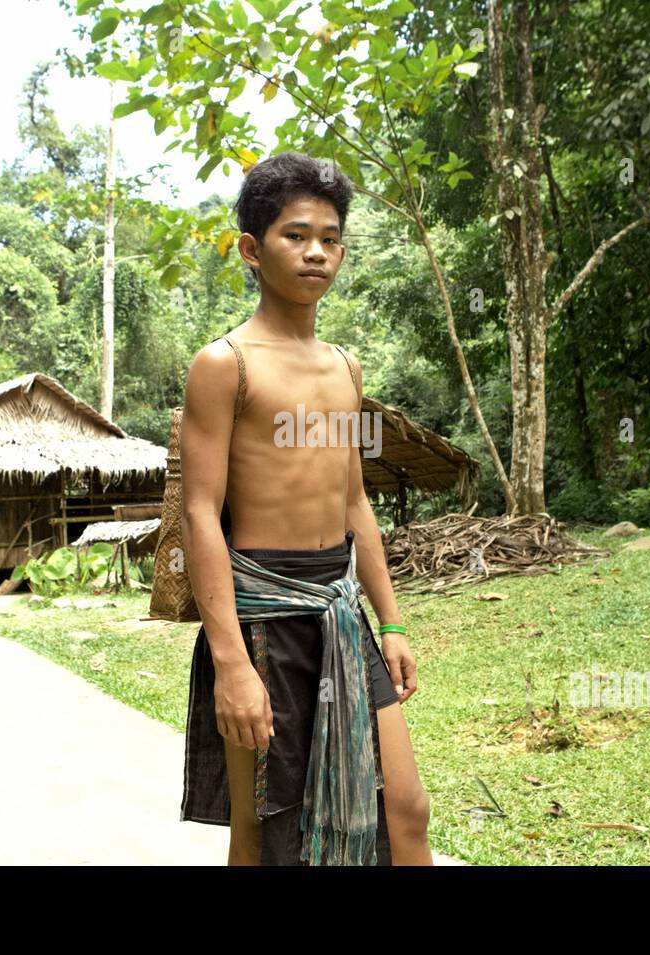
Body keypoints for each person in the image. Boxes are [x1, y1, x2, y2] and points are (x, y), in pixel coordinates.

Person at [178, 151, 432, 865]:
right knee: (262, 833)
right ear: (253, 250)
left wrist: (393, 621)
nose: (316, 251)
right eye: (296, 235)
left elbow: (354, 501)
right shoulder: (225, 364)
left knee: (406, 807)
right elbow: (201, 514)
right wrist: (231, 662)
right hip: (264, 616)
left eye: (329, 236)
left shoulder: (345, 366)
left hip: (342, 612)